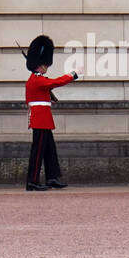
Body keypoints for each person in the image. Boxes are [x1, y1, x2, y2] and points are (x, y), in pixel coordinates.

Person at [23, 35, 79, 191]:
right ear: (39, 65)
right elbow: (56, 82)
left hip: (44, 119)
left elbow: (46, 90)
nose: (46, 67)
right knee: (38, 151)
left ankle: (51, 177)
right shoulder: (37, 79)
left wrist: (50, 95)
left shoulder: (38, 79)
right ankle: (32, 181)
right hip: (40, 119)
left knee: (49, 150)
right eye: (44, 65)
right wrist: (72, 75)